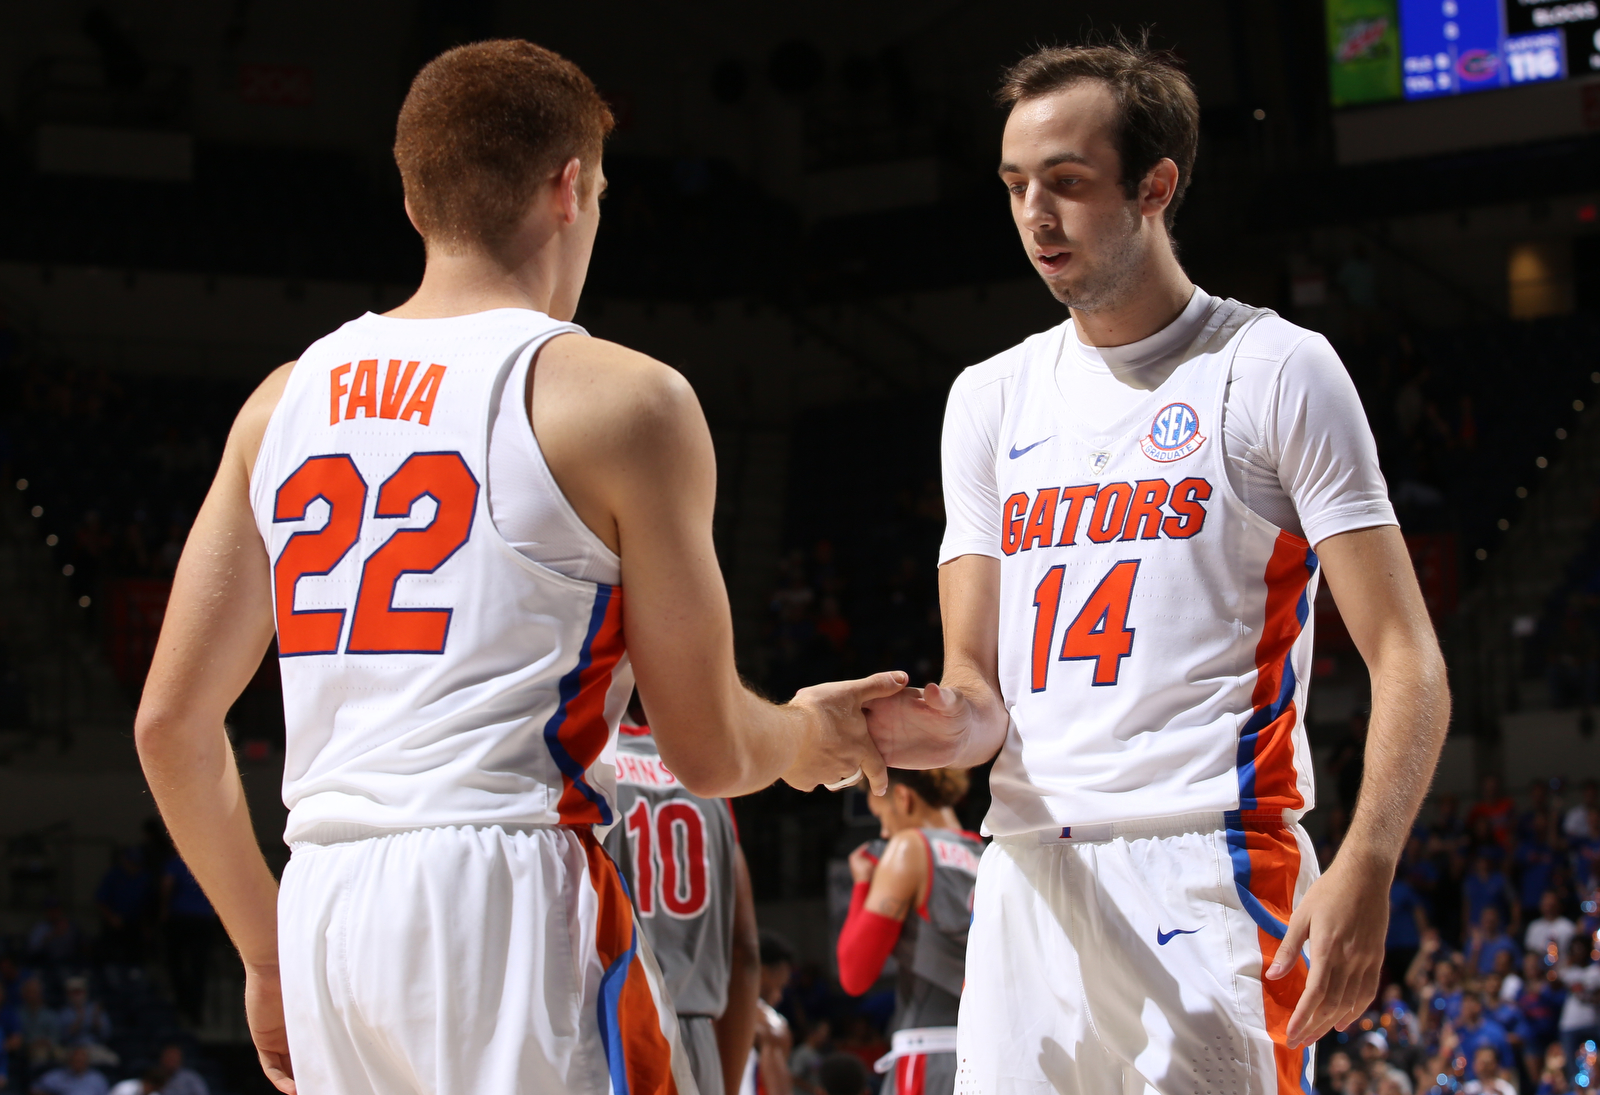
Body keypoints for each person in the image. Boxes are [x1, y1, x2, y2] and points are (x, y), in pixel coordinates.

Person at [131, 38, 901, 1095]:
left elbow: (170, 728)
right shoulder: (624, 400)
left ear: (412, 200)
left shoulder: (279, 403)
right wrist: (811, 734)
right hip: (509, 888)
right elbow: (710, 748)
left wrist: (266, 954)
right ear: (569, 187)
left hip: (326, 900)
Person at [862, 35, 1450, 1095]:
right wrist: (919, 722)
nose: (1035, 215)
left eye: (1068, 184)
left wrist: (1367, 863)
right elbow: (975, 691)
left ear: (1155, 187)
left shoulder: (1273, 370)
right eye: (1014, 186)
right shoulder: (986, 399)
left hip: (1210, 864)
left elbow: (1407, 654)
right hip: (1028, 870)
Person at [605, 700, 761, 1095]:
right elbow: (746, 951)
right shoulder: (707, 780)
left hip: (611, 1029)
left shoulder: (588, 770)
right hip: (699, 1035)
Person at [837, 769, 980, 1095]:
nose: (885, 832)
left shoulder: (909, 847)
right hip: (990, 1052)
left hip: (929, 1055)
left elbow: (854, 974)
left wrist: (862, 883)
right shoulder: (990, 855)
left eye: (882, 816)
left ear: (903, 798)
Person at [30, 1044, 106, 1095]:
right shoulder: (57, 1076)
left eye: (81, 1061)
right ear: (70, 1060)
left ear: (87, 1061)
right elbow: (34, 1090)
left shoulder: (97, 1078)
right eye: (76, 1060)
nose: (78, 1063)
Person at [1528, 891, 1578, 968]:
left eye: (1551, 904)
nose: (1548, 907)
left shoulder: (1568, 927)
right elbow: (1531, 954)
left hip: (1564, 969)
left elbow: (1574, 954)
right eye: (1546, 904)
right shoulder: (1534, 927)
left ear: (1558, 905)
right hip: (1539, 971)